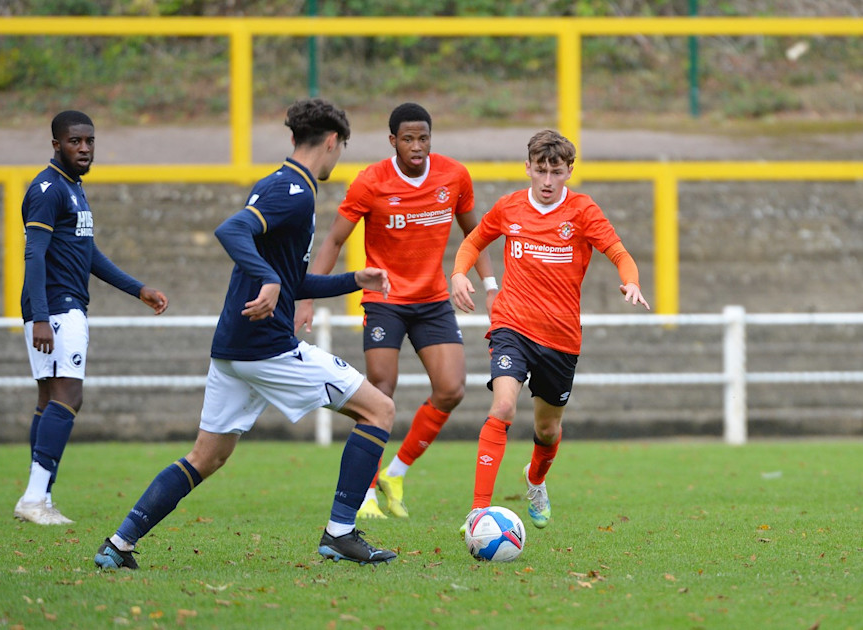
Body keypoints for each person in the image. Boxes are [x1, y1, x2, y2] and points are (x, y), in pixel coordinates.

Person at [94, 99, 398, 570]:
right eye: (341, 148)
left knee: (207, 456)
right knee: (379, 410)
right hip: (267, 348)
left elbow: (289, 280)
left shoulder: (278, 183)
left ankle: (119, 544)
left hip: (235, 347)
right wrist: (269, 279)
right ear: (333, 141)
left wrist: (352, 280)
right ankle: (340, 533)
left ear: (294, 137)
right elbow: (231, 230)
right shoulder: (295, 192)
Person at [295, 102, 496, 520]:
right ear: (393, 141)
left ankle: (396, 473)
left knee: (452, 389)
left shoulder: (454, 176)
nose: (417, 146)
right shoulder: (371, 182)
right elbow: (334, 240)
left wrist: (490, 286)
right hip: (385, 300)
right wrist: (307, 296)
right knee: (380, 391)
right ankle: (365, 492)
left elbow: (475, 235)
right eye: (408, 139)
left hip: (432, 301)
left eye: (423, 138)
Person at [451, 129, 649, 533]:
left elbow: (619, 253)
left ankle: (536, 479)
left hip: (560, 338)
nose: (546, 181)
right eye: (540, 170)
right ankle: (478, 512)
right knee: (503, 407)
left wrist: (631, 281)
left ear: (568, 171)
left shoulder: (582, 211)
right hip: (512, 325)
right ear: (527, 167)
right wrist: (458, 273)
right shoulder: (509, 207)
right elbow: (473, 242)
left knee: (547, 429)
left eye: (555, 172)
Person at [15, 110, 169, 526]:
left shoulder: (73, 188)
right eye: (75, 141)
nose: (84, 148)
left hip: (57, 307)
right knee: (69, 397)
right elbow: (34, 255)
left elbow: (88, 254)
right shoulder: (48, 189)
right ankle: (34, 498)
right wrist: (42, 316)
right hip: (57, 306)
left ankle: (40, 497)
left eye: (89, 141)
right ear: (56, 145)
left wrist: (137, 288)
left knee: (49, 400)